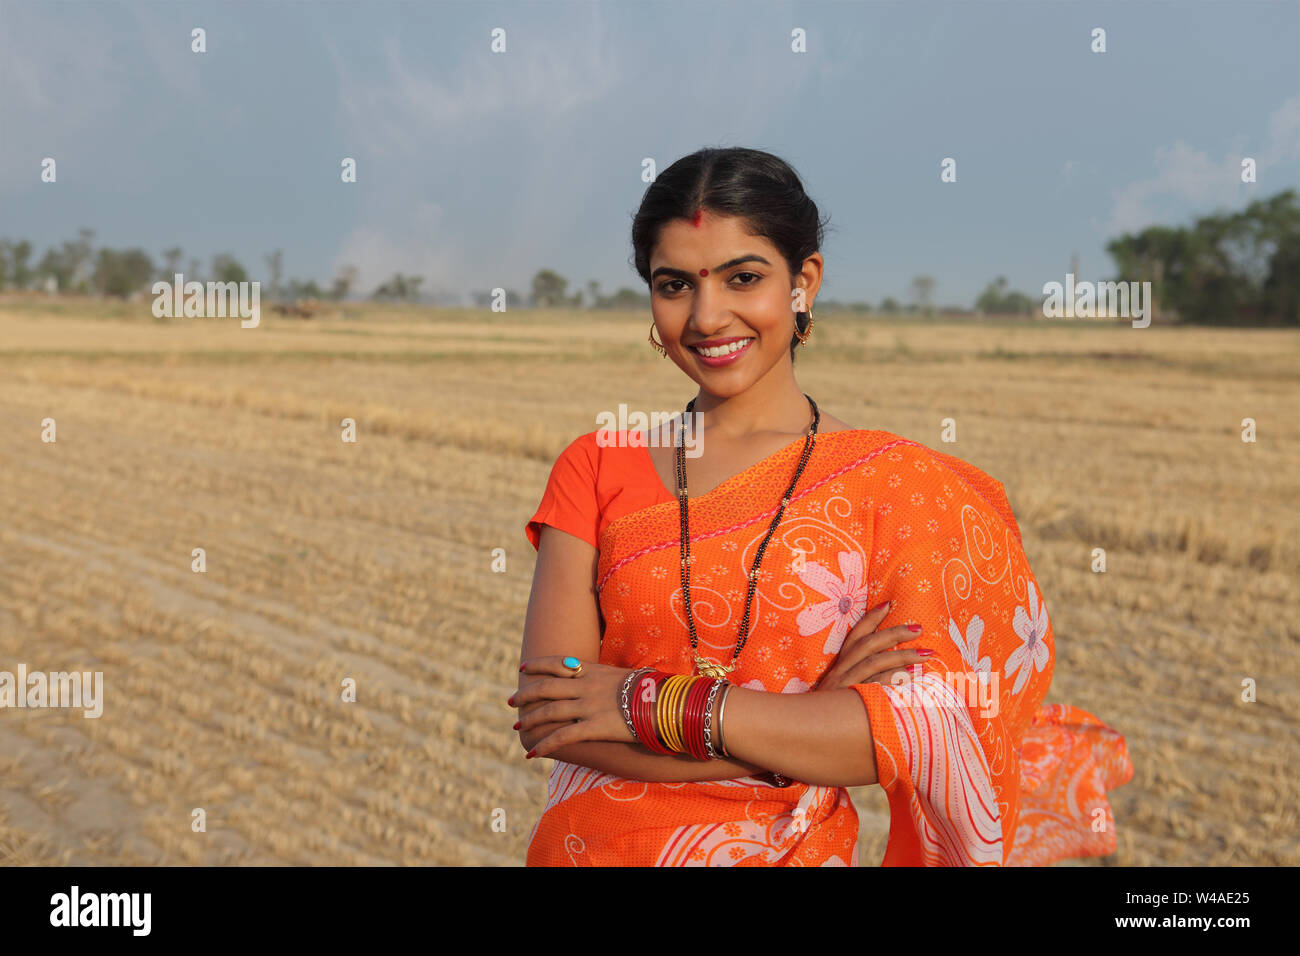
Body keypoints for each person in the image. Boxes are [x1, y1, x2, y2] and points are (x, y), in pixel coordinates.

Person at [511, 146, 1132, 866]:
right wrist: (797, 733)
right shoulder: (595, 467)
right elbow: (552, 721)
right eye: (674, 284)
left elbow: (925, 731)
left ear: (804, 281)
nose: (709, 317)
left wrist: (643, 705)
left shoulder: (888, 486)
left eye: (744, 278)